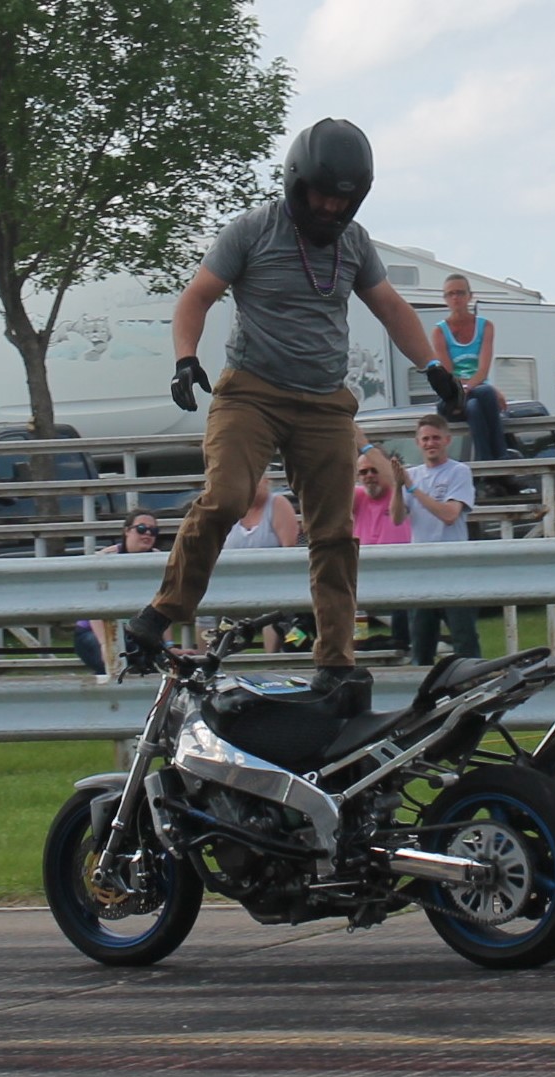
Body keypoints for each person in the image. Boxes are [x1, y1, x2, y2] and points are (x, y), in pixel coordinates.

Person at [126, 117, 463, 693]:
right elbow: (197, 297)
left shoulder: (355, 244)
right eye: (322, 196)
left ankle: (335, 664)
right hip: (251, 393)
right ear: (295, 183)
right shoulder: (253, 231)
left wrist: (433, 366)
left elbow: (390, 306)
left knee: (334, 531)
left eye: (344, 200)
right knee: (227, 496)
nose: (332, 209)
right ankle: (162, 613)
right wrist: (186, 359)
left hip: (326, 404)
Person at [392, 414, 482, 664]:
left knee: (464, 640)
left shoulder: (458, 472)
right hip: (421, 570)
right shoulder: (413, 475)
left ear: (447, 440)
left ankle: (473, 684)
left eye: (435, 438)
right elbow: (397, 518)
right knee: (421, 642)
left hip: (454, 568)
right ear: (417, 442)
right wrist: (398, 489)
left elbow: (450, 514)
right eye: (425, 439)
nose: (430, 443)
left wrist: (411, 488)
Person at [197, 477, 300, 652]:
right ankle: (205, 661)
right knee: (205, 602)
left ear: (266, 481)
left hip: (272, 583)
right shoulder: (228, 510)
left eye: (256, 481)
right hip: (232, 585)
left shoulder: (278, 505)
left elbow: (289, 552)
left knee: (274, 604)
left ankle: (272, 661)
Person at [429, 274, 510, 462]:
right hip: (453, 397)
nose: (455, 298)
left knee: (474, 407)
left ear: (469, 296)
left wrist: (470, 388)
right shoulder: (440, 331)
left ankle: (487, 464)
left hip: (478, 396)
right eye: (450, 294)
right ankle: (502, 456)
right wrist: (468, 388)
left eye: (459, 293)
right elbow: (449, 375)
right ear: (445, 299)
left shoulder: (485, 326)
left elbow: (483, 370)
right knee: (487, 392)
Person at [75, 509, 164, 676]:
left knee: (155, 663)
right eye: (141, 529)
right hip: (95, 632)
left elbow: (162, 607)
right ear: (127, 531)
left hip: (136, 633)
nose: (147, 534)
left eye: (153, 531)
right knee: (117, 658)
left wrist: (169, 645)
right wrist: (105, 645)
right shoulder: (107, 558)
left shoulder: (158, 560)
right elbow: (94, 607)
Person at [351, 449, 411, 650]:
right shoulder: (358, 496)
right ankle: (294, 643)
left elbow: (398, 514)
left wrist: (394, 479)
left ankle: (402, 641)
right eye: (363, 472)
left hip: (398, 570)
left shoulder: (399, 494)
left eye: (374, 470)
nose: (369, 476)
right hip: (364, 571)